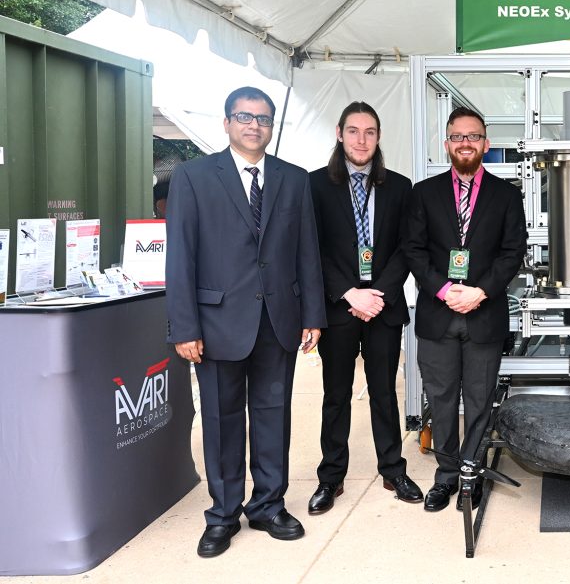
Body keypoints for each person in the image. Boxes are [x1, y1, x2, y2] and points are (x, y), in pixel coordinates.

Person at [166, 86, 326, 557]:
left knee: (274, 417)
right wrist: (184, 327)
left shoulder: (294, 179)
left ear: (272, 127)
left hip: (278, 320)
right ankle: (222, 513)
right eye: (244, 116)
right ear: (227, 123)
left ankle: (268, 506)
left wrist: (313, 313)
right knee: (220, 419)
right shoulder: (193, 177)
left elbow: (306, 252)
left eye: (263, 119)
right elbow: (181, 257)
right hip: (215, 325)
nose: (254, 125)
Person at [404, 107, 527, 512]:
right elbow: (415, 251)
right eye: (457, 137)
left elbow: (513, 254)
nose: (465, 143)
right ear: (447, 144)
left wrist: (480, 291)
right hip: (438, 315)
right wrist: (443, 289)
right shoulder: (423, 192)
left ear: (486, 145)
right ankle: (446, 475)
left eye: (473, 137)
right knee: (440, 399)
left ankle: (471, 472)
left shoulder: (507, 195)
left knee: (478, 399)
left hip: (484, 313)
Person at [306, 101, 422, 514]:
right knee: (335, 396)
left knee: (384, 393)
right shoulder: (315, 185)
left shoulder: (400, 186)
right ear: (339, 134)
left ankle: (393, 469)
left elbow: (408, 247)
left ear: (378, 137)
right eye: (353, 131)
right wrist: (349, 294)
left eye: (369, 131)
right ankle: (330, 479)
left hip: (384, 307)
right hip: (339, 309)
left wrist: (379, 295)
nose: (361, 139)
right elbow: (312, 249)